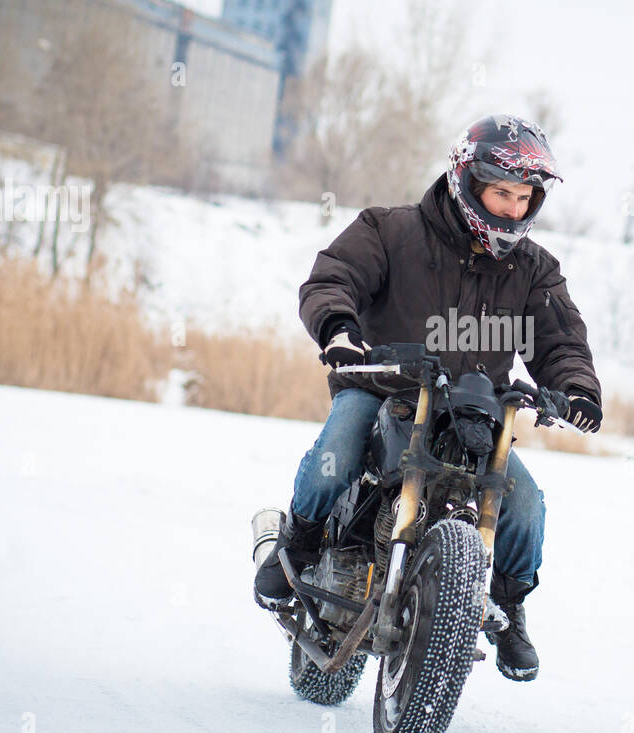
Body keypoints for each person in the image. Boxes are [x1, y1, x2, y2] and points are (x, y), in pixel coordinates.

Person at [254, 113, 602, 682]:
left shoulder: (535, 270)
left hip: (472, 410)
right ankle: (297, 545)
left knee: (526, 507)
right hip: (381, 385)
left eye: (523, 196)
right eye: (501, 192)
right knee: (333, 460)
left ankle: (509, 608)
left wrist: (577, 390)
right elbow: (333, 277)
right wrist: (339, 330)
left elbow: (561, 340)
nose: (514, 208)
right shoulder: (389, 231)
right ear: (468, 182)